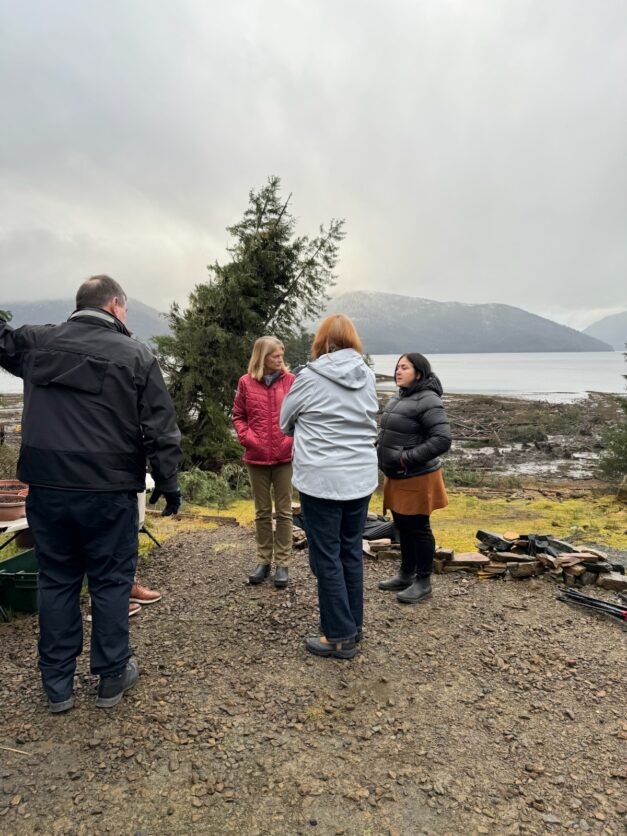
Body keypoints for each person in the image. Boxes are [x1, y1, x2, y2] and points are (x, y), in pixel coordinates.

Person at [0, 275, 182, 712]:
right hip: (109, 490)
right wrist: (168, 482)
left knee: (57, 579)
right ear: (115, 305)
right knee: (111, 580)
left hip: (47, 488)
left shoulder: (36, 343)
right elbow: (160, 428)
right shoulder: (136, 355)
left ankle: (57, 684)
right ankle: (112, 675)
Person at [280, 314, 378, 659]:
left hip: (321, 478)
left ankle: (338, 636)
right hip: (361, 476)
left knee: (326, 555)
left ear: (321, 342)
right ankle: (353, 625)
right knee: (350, 550)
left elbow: (284, 421)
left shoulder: (309, 377)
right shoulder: (367, 375)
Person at [376, 353, 451, 604]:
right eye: (397, 367)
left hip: (417, 476)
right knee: (402, 526)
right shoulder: (400, 395)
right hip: (397, 475)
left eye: (404, 367)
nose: (398, 371)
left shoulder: (428, 398)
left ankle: (423, 581)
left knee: (419, 528)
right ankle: (406, 573)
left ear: (419, 372)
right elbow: (392, 430)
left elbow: (442, 439)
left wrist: (404, 458)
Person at [233, 337, 295, 588]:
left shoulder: (291, 381)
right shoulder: (245, 382)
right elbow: (238, 416)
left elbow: (301, 415)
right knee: (261, 512)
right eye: (275, 356)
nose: (280, 359)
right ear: (262, 357)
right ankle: (263, 561)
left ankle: (283, 563)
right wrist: (247, 438)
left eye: (281, 354)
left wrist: (290, 440)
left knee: (284, 512)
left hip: (284, 456)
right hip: (256, 457)